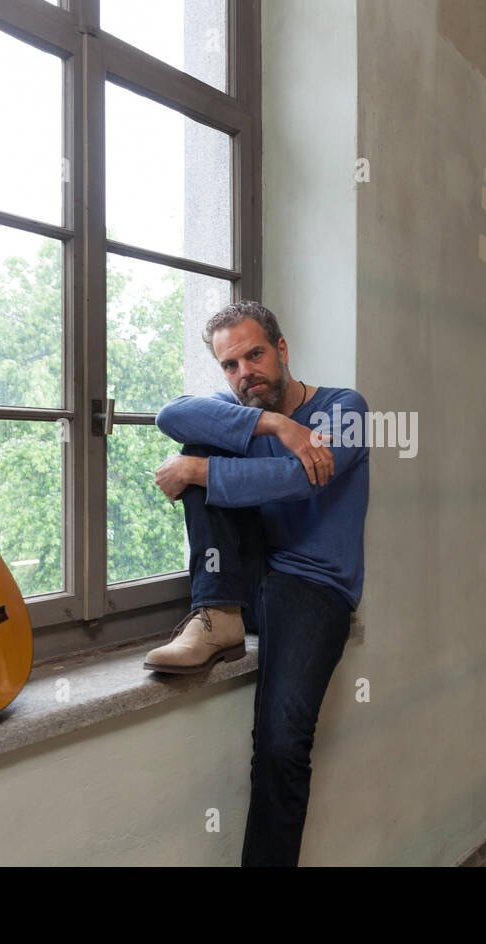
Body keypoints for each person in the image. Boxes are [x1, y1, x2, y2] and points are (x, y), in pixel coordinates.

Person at [146, 300, 369, 867]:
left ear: (282, 350)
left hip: (311, 588)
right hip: (247, 583)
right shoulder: (242, 408)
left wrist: (199, 472)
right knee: (198, 441)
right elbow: (172, 415)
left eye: (256, 355)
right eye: (230, 365)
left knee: (280, 745)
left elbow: (298, 479)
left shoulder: (345, 408)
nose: (245, 372)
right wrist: (274, 423)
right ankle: (216, 615)